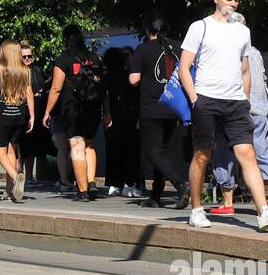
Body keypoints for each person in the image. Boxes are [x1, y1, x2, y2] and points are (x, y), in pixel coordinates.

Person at [178, 0, 268, 231]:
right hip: (207, 98)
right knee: (202, 155)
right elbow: (184, 67)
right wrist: (195, 99)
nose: (233, 4)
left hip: (236, 102)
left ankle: (263, 212)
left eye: (236, 0)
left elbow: (246, 70)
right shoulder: (200, 27)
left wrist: (246, 100)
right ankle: (196, 210)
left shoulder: (242, 31)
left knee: (247, 154)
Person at [209, 12, 268, 216]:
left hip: (238, 107)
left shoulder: (231, 51)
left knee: (223, 152)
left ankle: (227, 202)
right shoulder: (255, 52)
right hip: (261, 109)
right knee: (261, 149)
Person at [129, 13, 189, 209]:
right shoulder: (178, 47)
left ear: (148, 31)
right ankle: (155, 194)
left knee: (153, 151)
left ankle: (180, 185)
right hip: (173, 106)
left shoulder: (143, 49)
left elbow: (134, 79)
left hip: (151, 107)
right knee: (161, 150)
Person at [43, 25, 106, 201]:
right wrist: (106, 111)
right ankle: (92, 182)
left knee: (77, 147)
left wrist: (47, 112)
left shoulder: (63, 59)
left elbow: (56, 88)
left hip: (73, 108)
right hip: (93, 107)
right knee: (89, 145)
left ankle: (83, 190)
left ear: (65, 40)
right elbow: (103, 88)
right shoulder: (94, 58)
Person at [0, 40, 34, 202]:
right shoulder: (25, 70)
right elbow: (29, 93)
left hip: (3, 116)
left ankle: (16, 177)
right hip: (19, 115)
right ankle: (9, 191)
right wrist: (32, 116)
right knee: (11, 151)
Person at [102, 47, 141, 197]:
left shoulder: (107, 76)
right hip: (129, 116)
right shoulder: (128, 77)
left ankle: (114, 183)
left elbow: (105, 96)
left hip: (112, 117)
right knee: (130, 151)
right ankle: (129, 183)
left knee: (113, 149)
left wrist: (106, 113)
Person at [17, 42, 50, 183]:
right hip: (22, 112)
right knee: (21, 147)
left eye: (29, 56)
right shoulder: (17, 72)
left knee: (31, 148)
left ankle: (29, 177)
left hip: (37, 112)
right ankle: (19, 175)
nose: (27, 59)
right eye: (24, 57)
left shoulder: (37, 70)